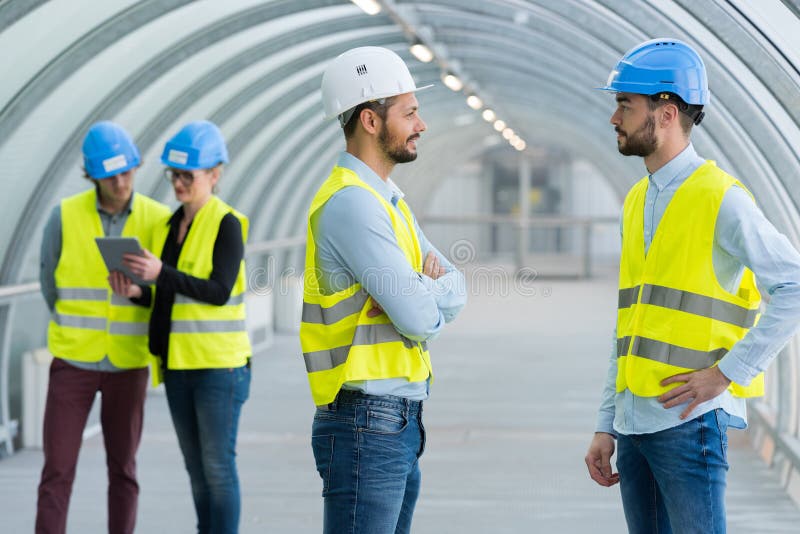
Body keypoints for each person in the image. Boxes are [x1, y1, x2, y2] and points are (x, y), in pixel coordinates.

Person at [584, 38, 800, 533]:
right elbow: (629, 326)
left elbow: (793, 285)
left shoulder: (721, 198)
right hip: (634, 424)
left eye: (625, 105)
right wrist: (606, 422)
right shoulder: (637, 199)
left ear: (666, 113)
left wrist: (728, 374)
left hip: (689, 424)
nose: (614, 118)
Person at [300, 46, 467, 534]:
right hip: (366, 422)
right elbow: (419, 318)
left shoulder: (388, 200)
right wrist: (422, 291)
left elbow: (456, 287)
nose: (422, 124)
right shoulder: (352, 204)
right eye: (409, 113)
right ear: (370, 121)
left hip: (394, 421)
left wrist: (418, 288)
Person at [109, 120, 251, 534]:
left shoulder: (227, 223)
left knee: (218, 468)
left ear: (214, 174)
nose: (178, 184)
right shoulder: (168, 227)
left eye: (188, 176)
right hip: (176, 366)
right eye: (174, 175)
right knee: (196, 469)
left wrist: (160, 273)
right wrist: (139, 292)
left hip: (218, 368)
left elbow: (218, 291)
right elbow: (170, 295)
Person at [37, 121, 171, 534]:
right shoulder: (64, 216)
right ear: (93, 175)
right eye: (111, 176)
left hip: (128, 364)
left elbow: (168, 291)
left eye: (126, 172)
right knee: (57, 470)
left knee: (124, 470)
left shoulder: (158, 219)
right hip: (72, 361)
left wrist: (138, 292)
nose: (121, 182)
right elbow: (48, 281)